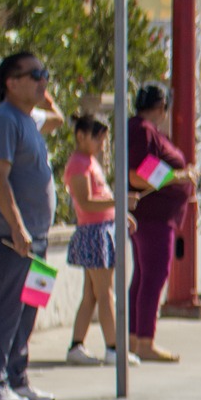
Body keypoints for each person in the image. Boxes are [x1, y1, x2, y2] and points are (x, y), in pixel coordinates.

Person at [0, 50, 61, 400]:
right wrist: (17, 227)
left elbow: (57, 120)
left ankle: (18, 377)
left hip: (38, 238)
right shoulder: (4, 120)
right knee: (6, 310)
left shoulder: (30, 120)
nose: (43, 80)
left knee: (30, 309)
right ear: (11, 83)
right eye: (35, 75)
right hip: (13, 238)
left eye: (44, 73)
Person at [125, 82, 196, 364]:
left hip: (154, 217)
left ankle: (136, 337)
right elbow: (138, 173)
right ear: (161, 107)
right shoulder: (143, 129)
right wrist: (180, 177)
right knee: (153, 277)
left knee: (144, 277)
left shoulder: (145, 130)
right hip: (154, 219)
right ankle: (145, 340)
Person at [63, 115, 136, 367]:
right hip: (93, 233)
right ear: (81, 136)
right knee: (104, 292)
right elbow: (85, 201)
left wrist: (121, 212)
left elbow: (100, 197)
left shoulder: (90, 161)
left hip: (101, 231)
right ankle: (114, 347)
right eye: (98, 138)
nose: (102, 145)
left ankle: (77, 345)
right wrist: (120, 203)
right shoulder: (78, 164)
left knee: (92, 294)